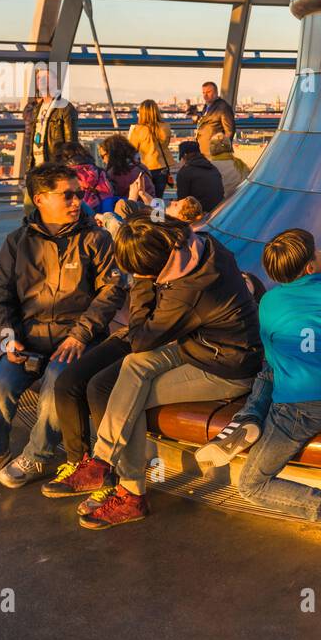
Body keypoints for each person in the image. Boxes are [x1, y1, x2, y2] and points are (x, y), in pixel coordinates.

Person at [44, 216, 263, 528]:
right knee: (134, 369)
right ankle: (104, 462)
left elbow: (140, 339)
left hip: (225, 368)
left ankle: (129, 492)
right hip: (198, 346)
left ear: (157, 266)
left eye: (142, 272)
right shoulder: (199, 245)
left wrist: (143, 282)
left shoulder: (189, 291)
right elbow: (140, 351)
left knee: (135, 394)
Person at [0, 163, 126, 486]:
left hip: (77, 340)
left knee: (55, 389)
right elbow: (0, 294)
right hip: (28, 338)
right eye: (68, 195)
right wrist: (9, 337)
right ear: (40, 199)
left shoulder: (95, 240)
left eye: (79, 195)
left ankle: (38, 456)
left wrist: (80, 335)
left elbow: (111, 292)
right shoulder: (17, 243)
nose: (77, 202)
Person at [224, 228, 321, 561]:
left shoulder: (269, 302)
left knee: (251, 484)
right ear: (309, 267)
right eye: (317, 252)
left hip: (299, 404)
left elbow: (273, 351)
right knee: (273, 369)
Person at [22, 68, 77, 170]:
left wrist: (65, 167)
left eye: (45, 77)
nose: (41, 80)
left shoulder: (65, 108)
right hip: (36, 164)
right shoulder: (36, 109)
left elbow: (71, 143)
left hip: (55, 165)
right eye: (38, 78)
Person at [127, 99, 174, 197]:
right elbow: (166, 144)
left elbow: (131, 148)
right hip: (162, 166)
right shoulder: (165, 127)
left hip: (146, 167)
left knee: (147, 196)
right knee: (158, 197)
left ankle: (149, 212)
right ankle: (158, 212)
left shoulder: (138, 129)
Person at [57, 142, 113, 213]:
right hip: (103, 209)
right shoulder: (98, 171)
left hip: (78, 210)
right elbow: (108, 191)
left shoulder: (65, 174)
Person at [99, 133, 153, 203]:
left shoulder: (115, 173)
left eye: (103, 156)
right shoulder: (141, 167)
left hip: (134, 209)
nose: (103, 160)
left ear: (111, 154)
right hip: (151, 206)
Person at [174, 139, 224, 213]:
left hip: (199, 215)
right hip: (218, 211)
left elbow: (182, 201)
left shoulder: (185, 172)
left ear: (185, 155)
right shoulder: (212, 168)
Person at [194, 81, 235, 156]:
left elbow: (229, 131)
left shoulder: (223, 107)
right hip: (204, 150)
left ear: (216, 92)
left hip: (215, 152)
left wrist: (221, 150)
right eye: (203, 93)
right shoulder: (207, 106)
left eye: (208, 92)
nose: (205, 95)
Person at [207, 132, 248, 200]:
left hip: (219, 205)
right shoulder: (240, 164)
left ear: (211, 149)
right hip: (238, 201)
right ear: (229, 146)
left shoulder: (209, 166)